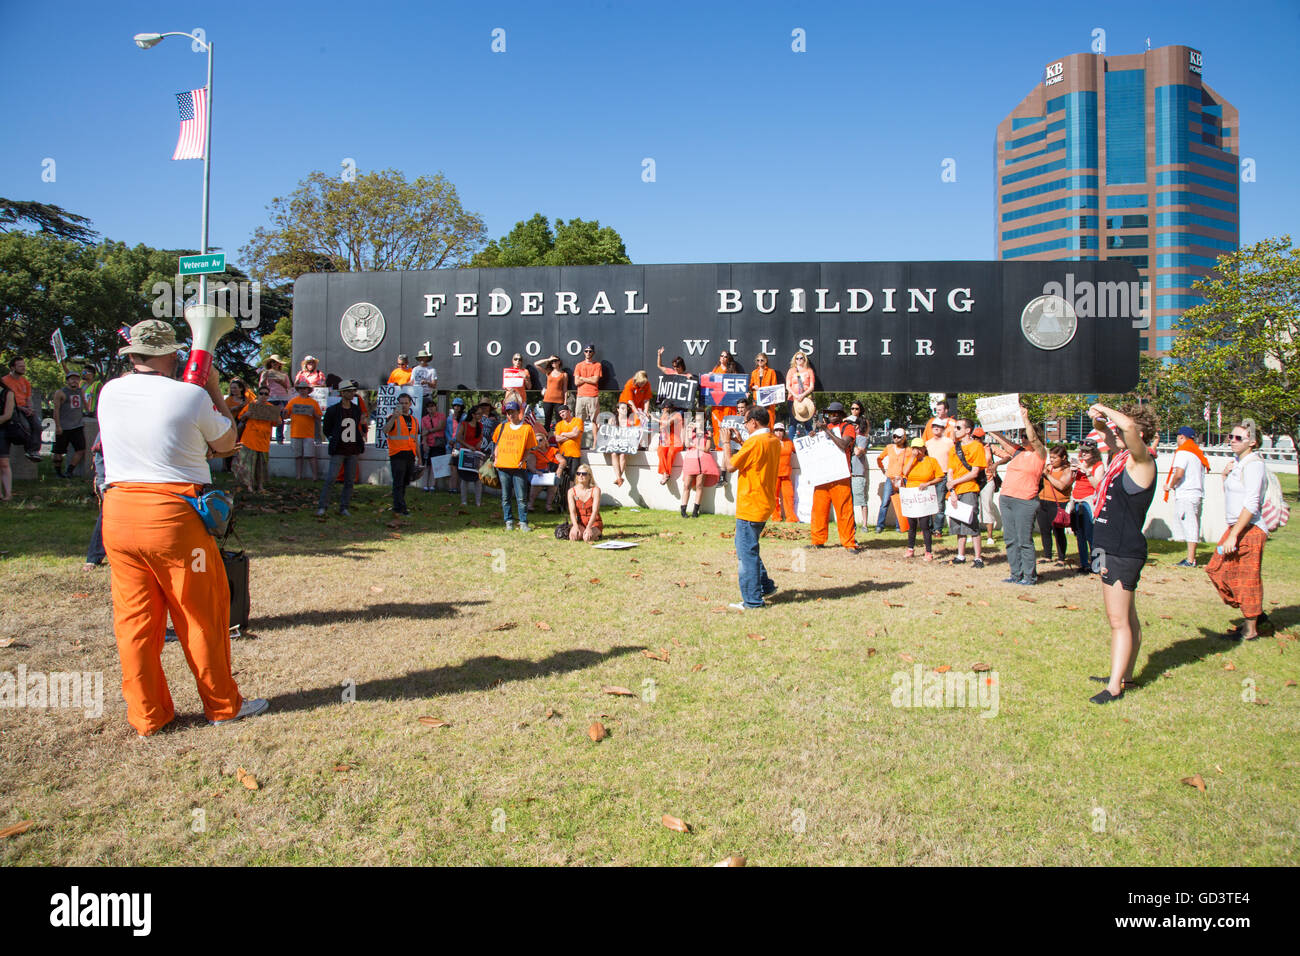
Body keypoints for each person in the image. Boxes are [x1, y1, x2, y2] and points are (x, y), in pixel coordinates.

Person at [97, 319, 266, 736]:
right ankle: (223, 705)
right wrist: (209, 387)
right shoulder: (189, 395)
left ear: (132, 355)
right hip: (173, 515)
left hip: (117, 514)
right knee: (200, 613)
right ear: (171, 354)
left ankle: (147, 716)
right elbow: (227, 443)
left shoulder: (109, 391)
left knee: (134, 622)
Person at [1086, 402, 1160, 705]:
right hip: (1107, 544)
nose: (1117, 435)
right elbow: (1112, 434)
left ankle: (1115, 687)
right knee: (1127, 616)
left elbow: (1126, 429)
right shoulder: (1123, 458)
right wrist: (1101, 423)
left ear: (1139, 434)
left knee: (1118, 621)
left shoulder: (1142, 461)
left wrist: (1104, 406)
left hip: (1121, 549)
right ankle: (1124, 673)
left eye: (1125, 431)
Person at [1207, 422, 1271, 641]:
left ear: (1252, 442)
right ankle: (1253, 613)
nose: (1232, 441)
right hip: (1236, 526)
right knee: (1216, 569)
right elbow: (1236, 495)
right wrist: (1226, 478)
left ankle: (1251, 629)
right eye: (1230, 436)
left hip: (1249, 528)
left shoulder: (1254, 465)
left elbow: (1252, 502)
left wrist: (1235, 535)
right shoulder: (1238, 463)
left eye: (1238, 438)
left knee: (1248, 578)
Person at [721, 407, 781, 611]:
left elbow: (729, 465)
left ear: (754, 422)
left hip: (750, 505)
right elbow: (757, 456)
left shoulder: (755, 442)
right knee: (750, 548)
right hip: (763, 503)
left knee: (746, 553)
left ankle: (753, 601)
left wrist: (727, 443)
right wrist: (741, 442)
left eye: (746, 422)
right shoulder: (772, 439)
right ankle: (766, 586)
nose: (744, 426)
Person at [988, 406, 1046, 585]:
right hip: (1007, 499)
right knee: (1010, 539)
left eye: (1025, 435)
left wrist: (1025, 419)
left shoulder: (1040, 454)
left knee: (1024, 540)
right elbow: (1001, 439)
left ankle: (1029, 576)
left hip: (1025, 501)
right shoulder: (1018, 452)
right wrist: (986, 420)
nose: (1023, 438)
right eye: (1021, 436)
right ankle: (1015, 574)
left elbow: (1035, 439)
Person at [809, 401, 858, 552]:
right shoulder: (826, 428)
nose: (831, 416)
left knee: (844, 511)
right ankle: (818, 540)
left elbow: (843, 445)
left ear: (841, 415)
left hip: (841, 476)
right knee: (819, 510)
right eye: (829, 414)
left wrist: (826, 431)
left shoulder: (847, 427)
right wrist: (812, 437)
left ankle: (849, 543)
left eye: (834, 413)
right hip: (824, 475)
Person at [318, 380, 364, 516]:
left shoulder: (356, 409)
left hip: (353, 449)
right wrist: (333, 438)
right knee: (331, 478)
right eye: (349, 391)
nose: (352, 393)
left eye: (353, 391)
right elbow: (326, 428)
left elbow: (357, 426)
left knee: (349, 480)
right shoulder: (333, 410)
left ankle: (344, 507)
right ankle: (322, 506)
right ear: (342, 393)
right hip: (339, 449)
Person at [946, 418, 987, 568]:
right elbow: (950, 470)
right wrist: (952, 490)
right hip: (956, 490)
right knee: (958, 523)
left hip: (969, 488)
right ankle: (960, 555)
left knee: (971, 523)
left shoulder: (977, 447)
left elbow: (975, 472)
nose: (955, 431)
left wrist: (955, 483)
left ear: (968, 430)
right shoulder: (954, 448)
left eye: (958, 428)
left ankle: (978, 557)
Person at [1167, 425, 1209, 567]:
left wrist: (1170, 485)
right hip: (1197, 493)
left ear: (1181, 437)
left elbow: (1179, 473)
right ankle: (1191, 557)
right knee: (1193, 524)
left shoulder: (1183, 453)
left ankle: (1191, 560)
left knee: (1190, 526)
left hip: (1187, 493)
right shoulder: (1197, 453)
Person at [493, 400, 537, 531]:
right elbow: (497, 444)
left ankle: (523, 522)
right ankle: (509, 521)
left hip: (518, 467)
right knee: (505, 496)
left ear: (519, 412)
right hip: (503, 466)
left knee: (521, 497)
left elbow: (529, 448)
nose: (511, 415)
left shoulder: (527, 429)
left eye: (513, 412)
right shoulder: (501, 427)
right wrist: (496, 458)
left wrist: (523, 460)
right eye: (508, 412)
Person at [898, 438, 944, 559]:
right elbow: (904, 473)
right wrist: (912, 458)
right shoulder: (910, 460)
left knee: (925, 524)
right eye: (914, 448)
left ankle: (928, 551)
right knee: (911, 524)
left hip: (924, 495)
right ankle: (910, 548)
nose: (916, 451)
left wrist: (928, 484)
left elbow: (940, 477)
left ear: (924, 449)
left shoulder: (931, 461)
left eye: (918, 448)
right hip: (911, 495)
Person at [1070, 439, 1104, 574]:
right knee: (1080, 534)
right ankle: (1084, 563)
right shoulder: (1080, 464)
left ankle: (1097, 564)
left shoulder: (1099, 465)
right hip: (1076, 500)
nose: (1083, 454)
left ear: (1094, 452)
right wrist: (1072, 472)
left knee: (1092, 534)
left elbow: (1098, 486)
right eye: (1081, 451)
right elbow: (1069, 482)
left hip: (1089, 501)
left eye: (1086, 451)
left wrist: (1087, 472)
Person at [1036, 445, 1074, 564]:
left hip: (1058, 503)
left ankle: (1061, 558)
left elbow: (1061, 485)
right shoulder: (1048, 467)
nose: (1051, 460)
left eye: (1055, 458)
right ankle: (1048, 555)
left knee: (1058, 531)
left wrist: (1047, 475)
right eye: (1050, 457)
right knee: (1044, 529)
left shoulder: (1068, 470)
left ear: (1063, 457)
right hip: (1043, 501)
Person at [613, 370, 651, 486]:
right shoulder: (630, 383)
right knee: (630, 420)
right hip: (627, 405)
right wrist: (637, 412)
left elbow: (647, 399)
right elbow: (630, 402)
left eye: (643, 384)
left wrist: (645, 411)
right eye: (640, 384)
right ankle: (619, 477)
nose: (641, 386)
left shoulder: (647, 384)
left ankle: (619, 477)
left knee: (640, 422)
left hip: (638, 406)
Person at [235, 386, 276, 493]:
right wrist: (247, 415)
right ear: (258, 394)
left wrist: (275, 417)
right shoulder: (250, 406)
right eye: (261, 393)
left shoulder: (271, 407)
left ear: (268, 396)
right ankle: (249, 486)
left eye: (266, 394)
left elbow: (278, 422)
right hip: (249, 440)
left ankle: (260, 486)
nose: (263, 396)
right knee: (248, 465)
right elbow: (241, 418)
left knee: (261, 466)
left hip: (263, 441)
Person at [384, 392, 419, 516]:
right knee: (398, 482)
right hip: (397, 454)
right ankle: (400, 507)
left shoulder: (414, 420)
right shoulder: (393, 418)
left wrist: (419, 457)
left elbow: (415, 440)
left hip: (410, 454)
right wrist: (393, 417)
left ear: (410, 404)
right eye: (401, 403)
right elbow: (385, 430)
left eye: (406, 403)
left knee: (405, 482)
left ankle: (399, 504)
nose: (404, 405)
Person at [1, 357, 42, 462]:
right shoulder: (4, 381)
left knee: (37, 425)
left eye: (24, 366)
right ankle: (28, 449)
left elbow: (28, 398)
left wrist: (30, 408)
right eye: (20, 366)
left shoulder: (26, 382)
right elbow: (6, 400)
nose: (23, 368)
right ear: (12, 368)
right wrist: (22, 409)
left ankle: (34, 451)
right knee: (25, 427)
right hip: (13, 409)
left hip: (24, 408)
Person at [51, 369, 87, 478]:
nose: (74, 381)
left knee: (81, 449)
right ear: (67, 381)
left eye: (76, 379)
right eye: (72, 379)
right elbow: (56, 410)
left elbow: (86, 406)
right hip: (63, 426)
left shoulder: (80, 391)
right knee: (58, 452)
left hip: (77, 426)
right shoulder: (60, 393)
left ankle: (70, 470)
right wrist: (57, 425)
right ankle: (58, 472)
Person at [677, 413, 715, 517]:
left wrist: (695, 445)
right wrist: (689, 431)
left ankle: (695, 511)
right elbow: (687, 444)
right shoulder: (691, 431)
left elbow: (707, 449)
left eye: (700, 420)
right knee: (687, 485)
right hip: (691, 460)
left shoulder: (707, 433)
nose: (698, 422)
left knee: (699, 485)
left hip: (703, 461)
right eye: (697, 420)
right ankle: (683, 509)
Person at [283, 382, 322, 480]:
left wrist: (313, 413)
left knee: (311, 456)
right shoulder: (292, 401)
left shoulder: (313, 402)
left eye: (304, 388)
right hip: (295, 433)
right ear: (298, 390)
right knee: (298, 456)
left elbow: (319, 417)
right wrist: (284, 412)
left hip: (309, 434)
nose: (302, 390)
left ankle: (315, 477)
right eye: (300, 388)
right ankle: (298, 476)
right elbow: (285, 416)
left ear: (308, 390)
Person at [925, 419, 955, 535]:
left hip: (943, 475)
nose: (936, 428)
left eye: (939, 426)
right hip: (929, 476)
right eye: (934, 426)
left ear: (943, 429)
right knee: (927, 503)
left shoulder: (949, 442)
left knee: (939, 503)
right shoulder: (927, 443)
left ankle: (938, 529)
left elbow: (953, 459)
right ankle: (927, 528)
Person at [875, 428, 908, 532]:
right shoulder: (889, 447)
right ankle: (880, 525)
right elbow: (879, 458)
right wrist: (883, 470)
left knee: (901, 503)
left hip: (902, 479)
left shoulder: (909, 450)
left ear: (903, 438)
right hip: (890, 478)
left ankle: (900, 526)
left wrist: (904, 475)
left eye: (898, 437)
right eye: (894, 436)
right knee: (885, 502)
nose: (896, 439)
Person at [552, 403, 584, 508]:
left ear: (569, 411)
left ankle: (570, 499)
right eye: (560, 413)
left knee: (572, 478)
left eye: (563, 412)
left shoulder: (577, 421)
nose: (562, 414)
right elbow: (557, 439)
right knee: (560, 477)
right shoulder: (559, 424)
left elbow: (576, 434)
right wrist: (570, 434)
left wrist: (564, 434)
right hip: (563, 455)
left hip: (574, 454)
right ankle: (559, 498)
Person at [708, 350, 740, 450]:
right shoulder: (716, 369)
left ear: (728, 359)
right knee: (717, 424)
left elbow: (737, 385)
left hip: (729, 404)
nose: (723, 358)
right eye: (721, 355)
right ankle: (718, 446)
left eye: (725, 356)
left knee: (727, 424)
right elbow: (710, 384)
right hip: (717, 403)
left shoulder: (732, 371)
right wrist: (709, 376)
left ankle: (727, 446)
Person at [83, 434, 107, 570]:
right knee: (107, 515)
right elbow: (97, 450)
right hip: (111, 479)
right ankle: (93, 557)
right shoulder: (112, 423)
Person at [455, 402, 486, 507]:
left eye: (481, 414)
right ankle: (464, 501)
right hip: (466, 453)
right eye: (478, 414)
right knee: (464, 478)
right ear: (473, 415)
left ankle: (478, 502)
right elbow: (458, 438)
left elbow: (480, 438)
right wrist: (468, 446)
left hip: (476, 454)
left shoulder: (480, 425)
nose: (480, 416)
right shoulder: (464, 424)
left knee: (478, 479)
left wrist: (479, 443)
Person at [257, 355, 291, 443]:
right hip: (270, 397)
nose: (275, 364)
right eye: (273, 362)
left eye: (277, 363)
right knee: (269, 418)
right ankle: (267, 437)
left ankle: (279, 438)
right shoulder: (266, 372)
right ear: (270, 363)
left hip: (282, 397)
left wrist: (280, 382)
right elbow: (261, 386)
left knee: (280, 418)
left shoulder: (284, 374)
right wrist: (264, 378)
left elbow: (288, 386)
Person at [567, 464, 604, 542]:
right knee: (574, 538)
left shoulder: (596, 490)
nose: (580, 476)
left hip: (594, 522)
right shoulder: (571, 491)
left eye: (584, 474)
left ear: (590, 476)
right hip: (580, 522)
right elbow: (572, 512)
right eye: (578, 473)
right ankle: (592, 535)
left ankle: (596, 534)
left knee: (587, 538)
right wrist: (575, 526)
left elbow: (595, 511)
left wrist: (589, 527)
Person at [977, 428, 1001, 546]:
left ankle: (989, 536)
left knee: (987, 506)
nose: (977, 440)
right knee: (973, 508)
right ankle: (974, 533)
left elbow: (1007, 455)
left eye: (979, 438)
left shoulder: (989, 448)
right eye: (975, 437)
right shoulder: (969, 447)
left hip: (987, 480)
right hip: (974, 481)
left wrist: (996, 464)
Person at [785, 350, 815, 438]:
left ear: (804, 359)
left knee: (808, 423)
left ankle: (810, 443)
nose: (799, 360)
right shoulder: (791, 370)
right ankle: (791, 445)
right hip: (793, 399)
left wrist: (802, 395)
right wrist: (795, 395)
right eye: (797, 358)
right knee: (792, 423)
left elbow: (811, 386)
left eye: (801, 358)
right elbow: (788, 386)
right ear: (794, 360)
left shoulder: (809, 370)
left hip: (806, 399)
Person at [573, 345, 602, 434]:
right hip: (580, 396)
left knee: (595, 421)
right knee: (578, 421)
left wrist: (583, 378)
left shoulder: (597, 365)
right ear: (584, 352)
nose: (588, 353)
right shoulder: (579, 365)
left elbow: (595, 380)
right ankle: (578, 443)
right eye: (586, 351)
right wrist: (590, 378)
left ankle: (595, 444)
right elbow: (576, 382)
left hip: (593, 396)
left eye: (590, 351)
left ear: (593, 352)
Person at [420, 399, 448, 492]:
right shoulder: (424, 419)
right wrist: (425, 443)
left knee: (435, 465)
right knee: (426, 465)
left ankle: (432, 485)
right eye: (429, 407)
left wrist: (428, 431)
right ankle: (425, 485)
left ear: (436, 407)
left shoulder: (441, 416)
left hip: (438, 444)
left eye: (432, 406)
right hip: (428, 443)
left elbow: (440, 427)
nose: (431, 408)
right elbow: (423, 432)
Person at [771, 422, 796, 522]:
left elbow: (798, 450)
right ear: (773, 432)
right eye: (776, 430)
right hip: (774, 474)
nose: (778, 432)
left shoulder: (789, 442)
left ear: (784, 431)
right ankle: (776, 517)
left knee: (789, 496)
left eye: (781, 430)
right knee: (774, 497)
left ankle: (791, 517)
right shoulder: (771, 442)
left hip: (786, 474)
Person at [850, 416, 871, 531]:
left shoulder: (862, 439)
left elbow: (858, 452)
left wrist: (853, 442)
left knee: (862, 500)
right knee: (851, 502)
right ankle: (852, 523)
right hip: (851, 473)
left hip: (859, 474)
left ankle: (864, 524)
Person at [748, 353, 779, 428]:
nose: (760, 362)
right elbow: (750, 386)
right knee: (757, 422)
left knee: (769, 422)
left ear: (766, 361)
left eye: (762, 360)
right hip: (757, 401)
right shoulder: (754, 372)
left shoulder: (771, 372)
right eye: (758, 360)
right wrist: (753, 387)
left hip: (768, 401)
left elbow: (774, 386)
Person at [537, 356, 568, 429]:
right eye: (552, 361)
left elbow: (565, 389)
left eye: (555, 360)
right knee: (547, 421)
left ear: (559, 362)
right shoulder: (548, 372)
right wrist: (548, 359)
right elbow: (536, 364)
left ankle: (559, 439)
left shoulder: (564, 374)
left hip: (559, 400)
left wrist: (565, 401)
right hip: (547, 400)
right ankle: (546, 438)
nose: (553, 362)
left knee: (559, 422)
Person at [0, 373, 16, 499]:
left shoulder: (7, 393)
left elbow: (8, 415)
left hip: (3, 431)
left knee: (4, 462)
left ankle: (8, 494)